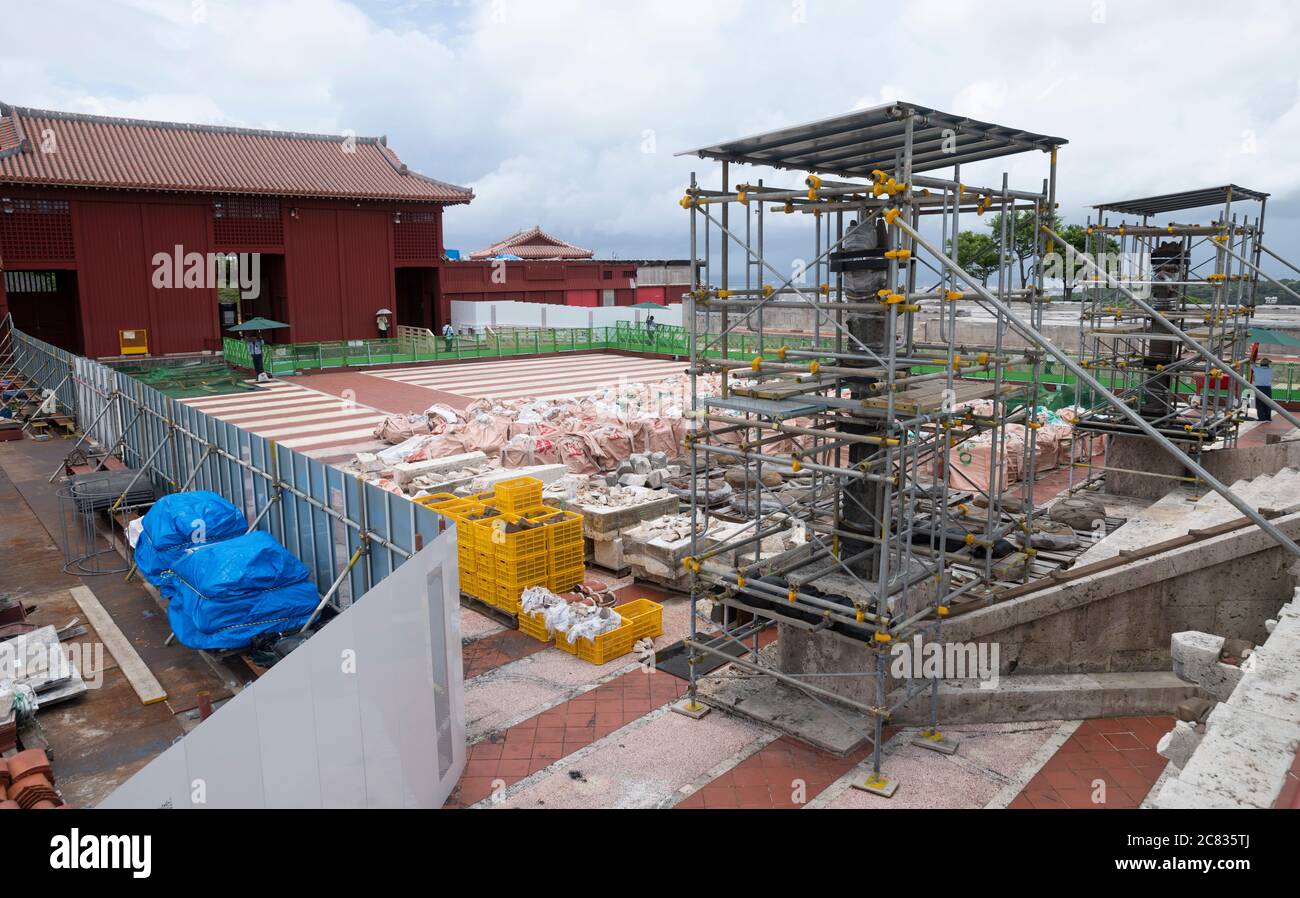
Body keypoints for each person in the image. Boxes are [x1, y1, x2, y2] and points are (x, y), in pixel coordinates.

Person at [1254, 357, 1274, 422]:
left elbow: (1251, 363)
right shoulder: (1270, 370)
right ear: (1267, 364)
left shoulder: (1256, 369)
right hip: (1267, 388)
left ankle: (1261, 417)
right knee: (1268, 403)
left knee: (1259, 403)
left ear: (1260, 364)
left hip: (1259, 388)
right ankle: (1268, 417)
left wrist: (1255, 359)